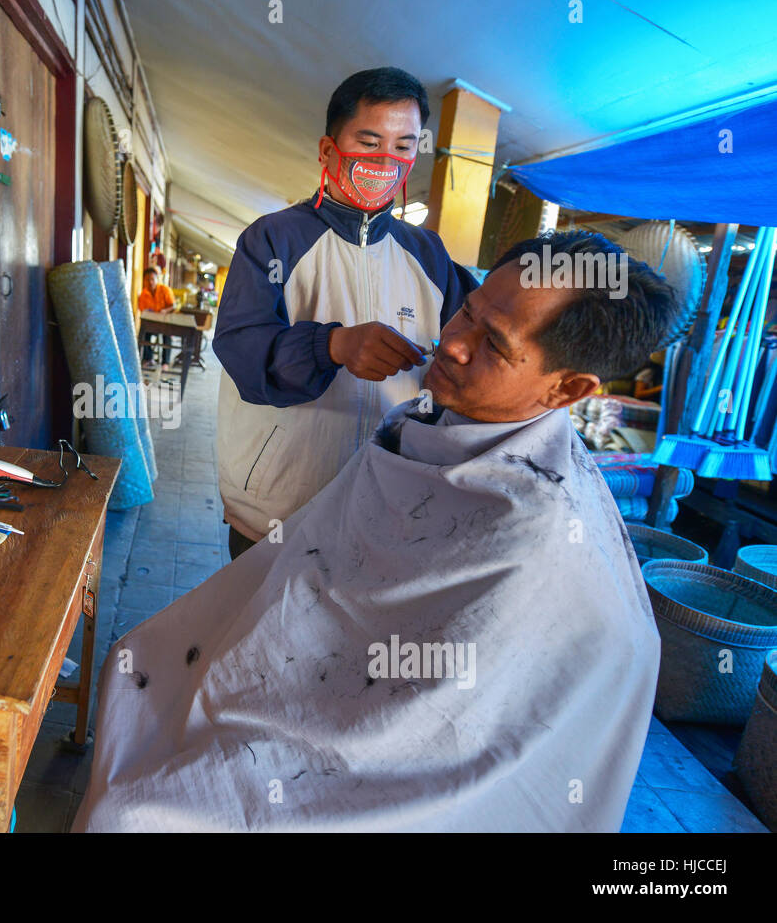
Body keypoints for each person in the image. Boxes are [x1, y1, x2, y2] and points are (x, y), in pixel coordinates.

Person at [73, 231, 679, 832]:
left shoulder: (539, 535)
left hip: (383, 755)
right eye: (466, 312)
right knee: (136, 665)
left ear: (568, 389)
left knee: (136, 817)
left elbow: (426, 730)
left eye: (493, 343)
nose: (454, 343)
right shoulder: (416, 425)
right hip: (313, 681)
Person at [213, 67, 480, 561]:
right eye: (369, 140)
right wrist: (332, 346)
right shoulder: (273, 239)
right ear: (328, 149)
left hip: (387, 512)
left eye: (403, 146)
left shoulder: (428, 254)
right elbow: (241, 349)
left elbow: (475, 340)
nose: (386, 159)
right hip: (277, 509)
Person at [138, 266, 177, 369]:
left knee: (167, 336)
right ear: (144, 281)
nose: (150, 282)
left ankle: (165, 362)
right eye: (147, 279)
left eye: (152, 279)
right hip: (152, 324)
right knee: (144, 334)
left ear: (157, 279)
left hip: (165, 322)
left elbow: (173, 306)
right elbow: (143, 311)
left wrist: (165, 310)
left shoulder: (165, 290)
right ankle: (148, 358)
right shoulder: (143, 294)